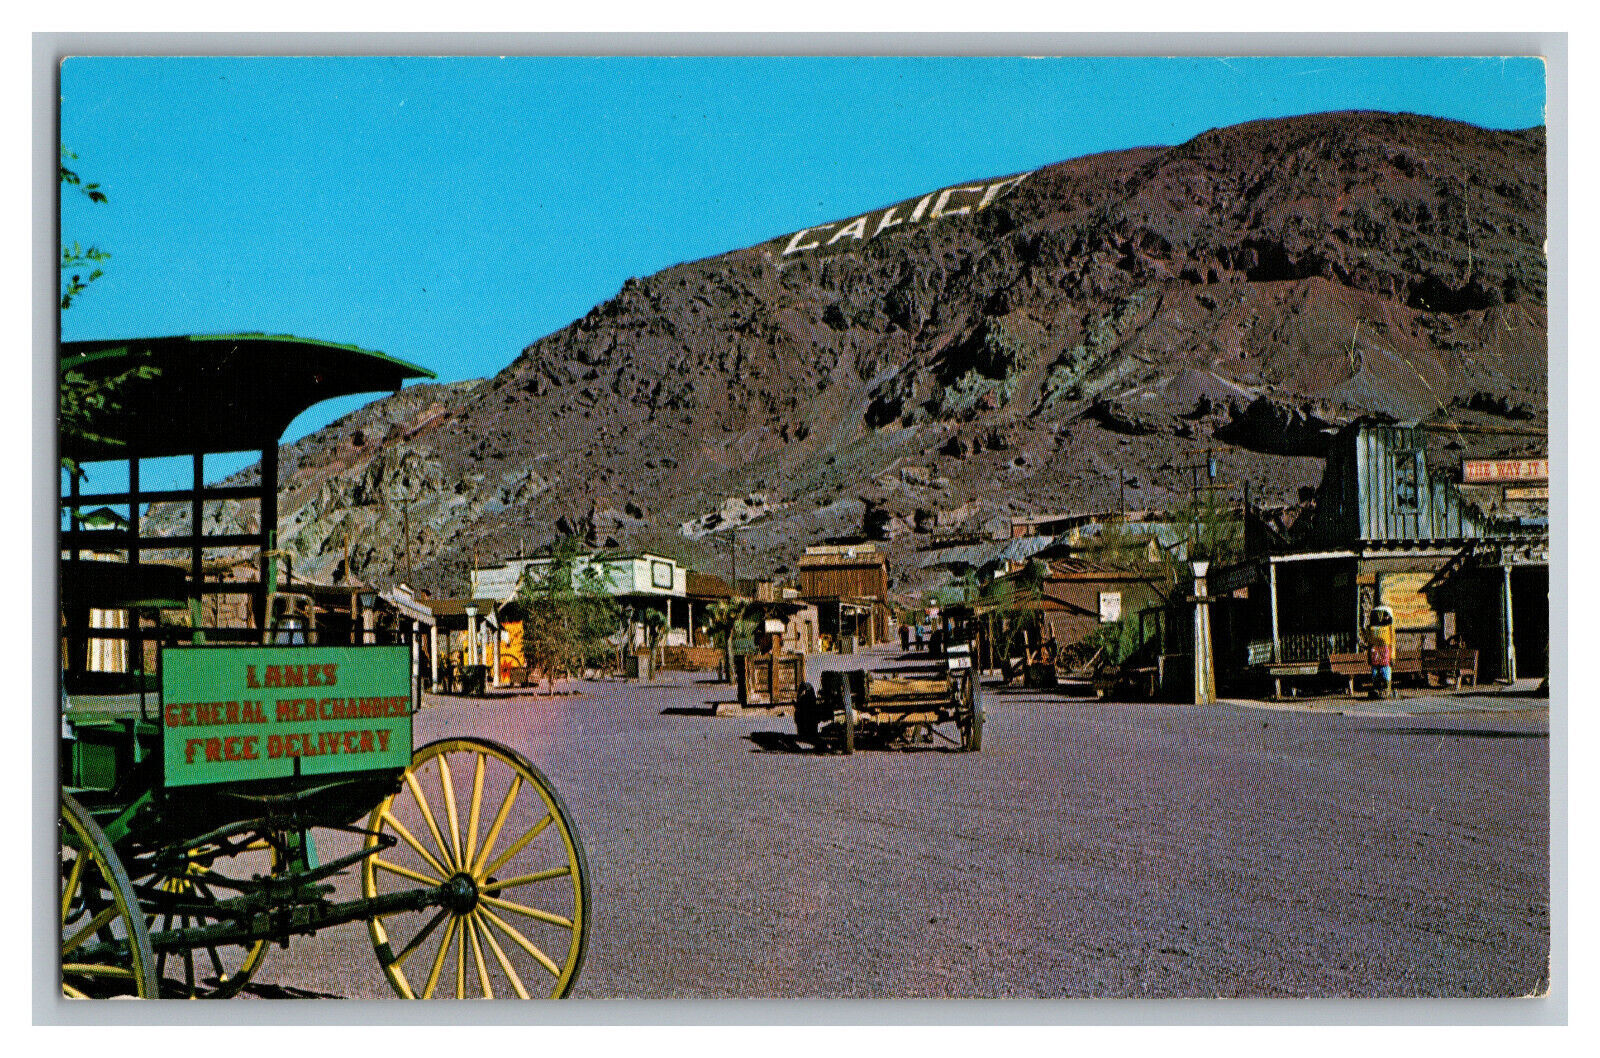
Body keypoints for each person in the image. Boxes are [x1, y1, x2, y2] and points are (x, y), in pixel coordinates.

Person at [1363, 605, 1396, 699]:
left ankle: (1386, 689)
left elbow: (1392, 642)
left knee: (1385, 671)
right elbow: (1369, 642)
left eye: (1386, 615)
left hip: (1385, 652)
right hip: (1375, 653)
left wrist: (1392, 656)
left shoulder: (1389, 627)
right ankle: (1377, 688)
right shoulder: (1371, 628)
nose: (1385, 618)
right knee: (1375, 672)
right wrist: (1369, 656)